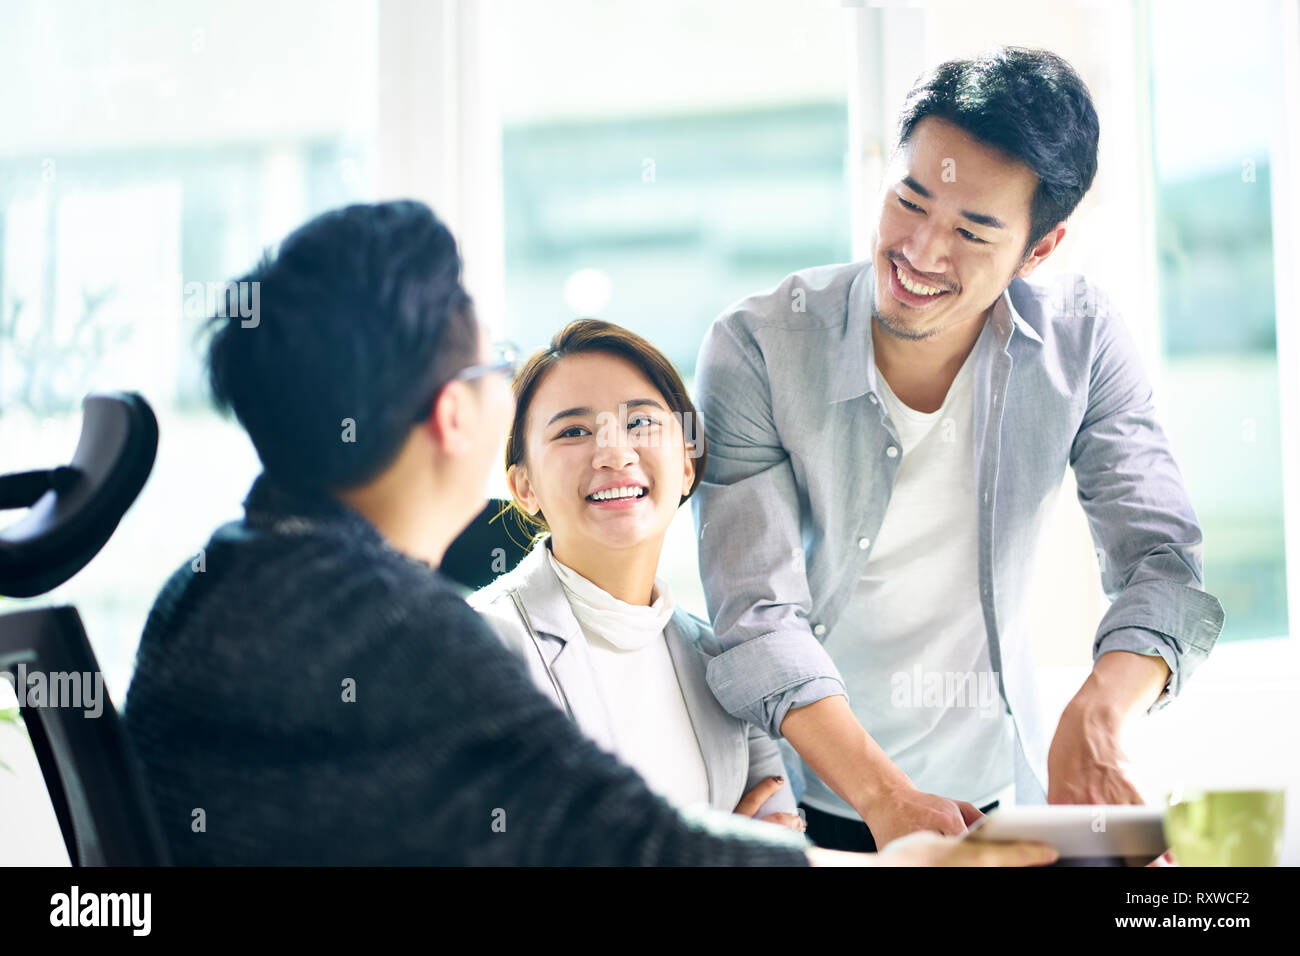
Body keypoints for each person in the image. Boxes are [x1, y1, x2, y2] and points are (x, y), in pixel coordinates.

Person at [122, 199, 1055, 866]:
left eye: (643, 423)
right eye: (497, 367)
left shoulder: (221, 588)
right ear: (457, 419)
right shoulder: (385, 628)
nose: (612, 450)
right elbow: (623, 847)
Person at [691, 47, 1225, 852]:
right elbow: (759, 618)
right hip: (802, 800)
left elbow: (1163, 562)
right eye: (909, 202)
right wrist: (887, 797)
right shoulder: (760, 346)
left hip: (996, 790)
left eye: (973, 231)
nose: (920, 252)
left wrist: (1101, 712)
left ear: (1038, 252)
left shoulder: (1079, 344)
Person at [470, 320, 801, 833]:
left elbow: (779, 836)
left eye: (642, 423)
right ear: (524, 487)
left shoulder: (721, 659)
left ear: (688, 465)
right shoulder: (477, 647)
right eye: (573, 431)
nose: (615, 453)